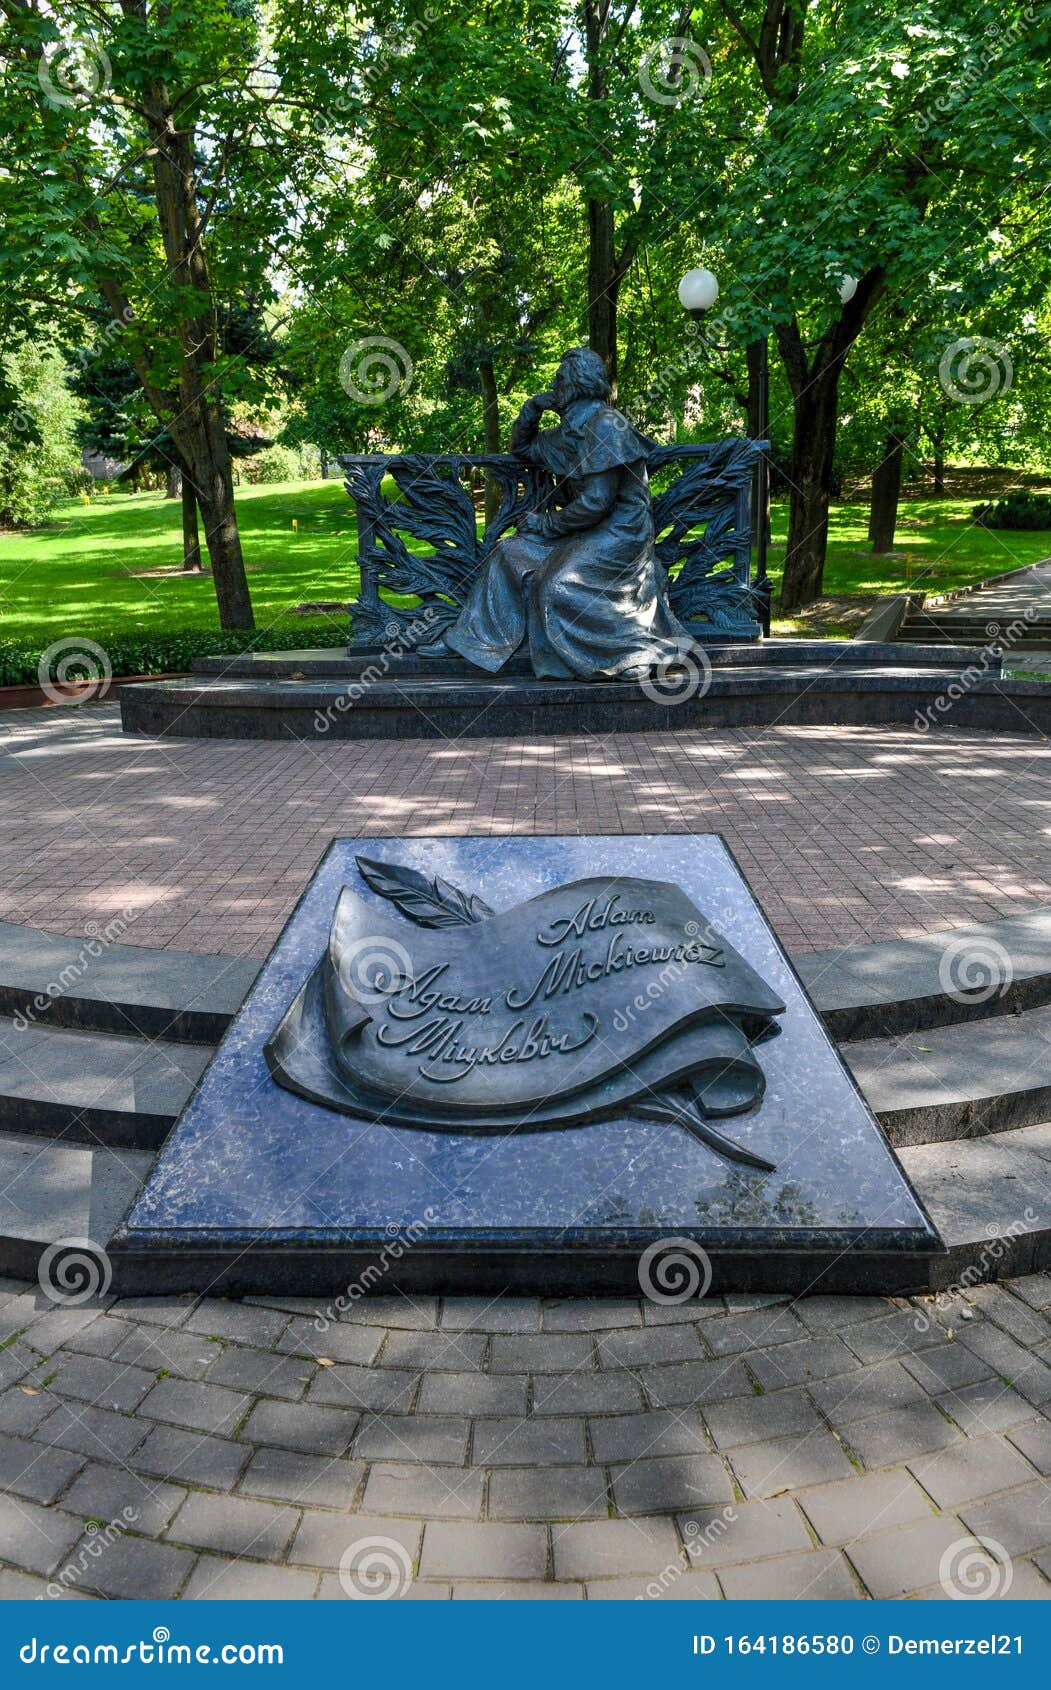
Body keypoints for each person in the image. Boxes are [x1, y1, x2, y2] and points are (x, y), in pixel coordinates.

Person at [419, 347, 695, 679]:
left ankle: (627, 653)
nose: (555, 385)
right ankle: (473, 642)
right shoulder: (567, 432)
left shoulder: (606, 424)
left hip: (620, 534)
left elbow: (597, 501)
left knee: (558, 584)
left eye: (559, 379)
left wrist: (546, 523)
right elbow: (521, 449)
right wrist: (532, 408)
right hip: (579, 531)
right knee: (507, 551)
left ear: (578, 383)